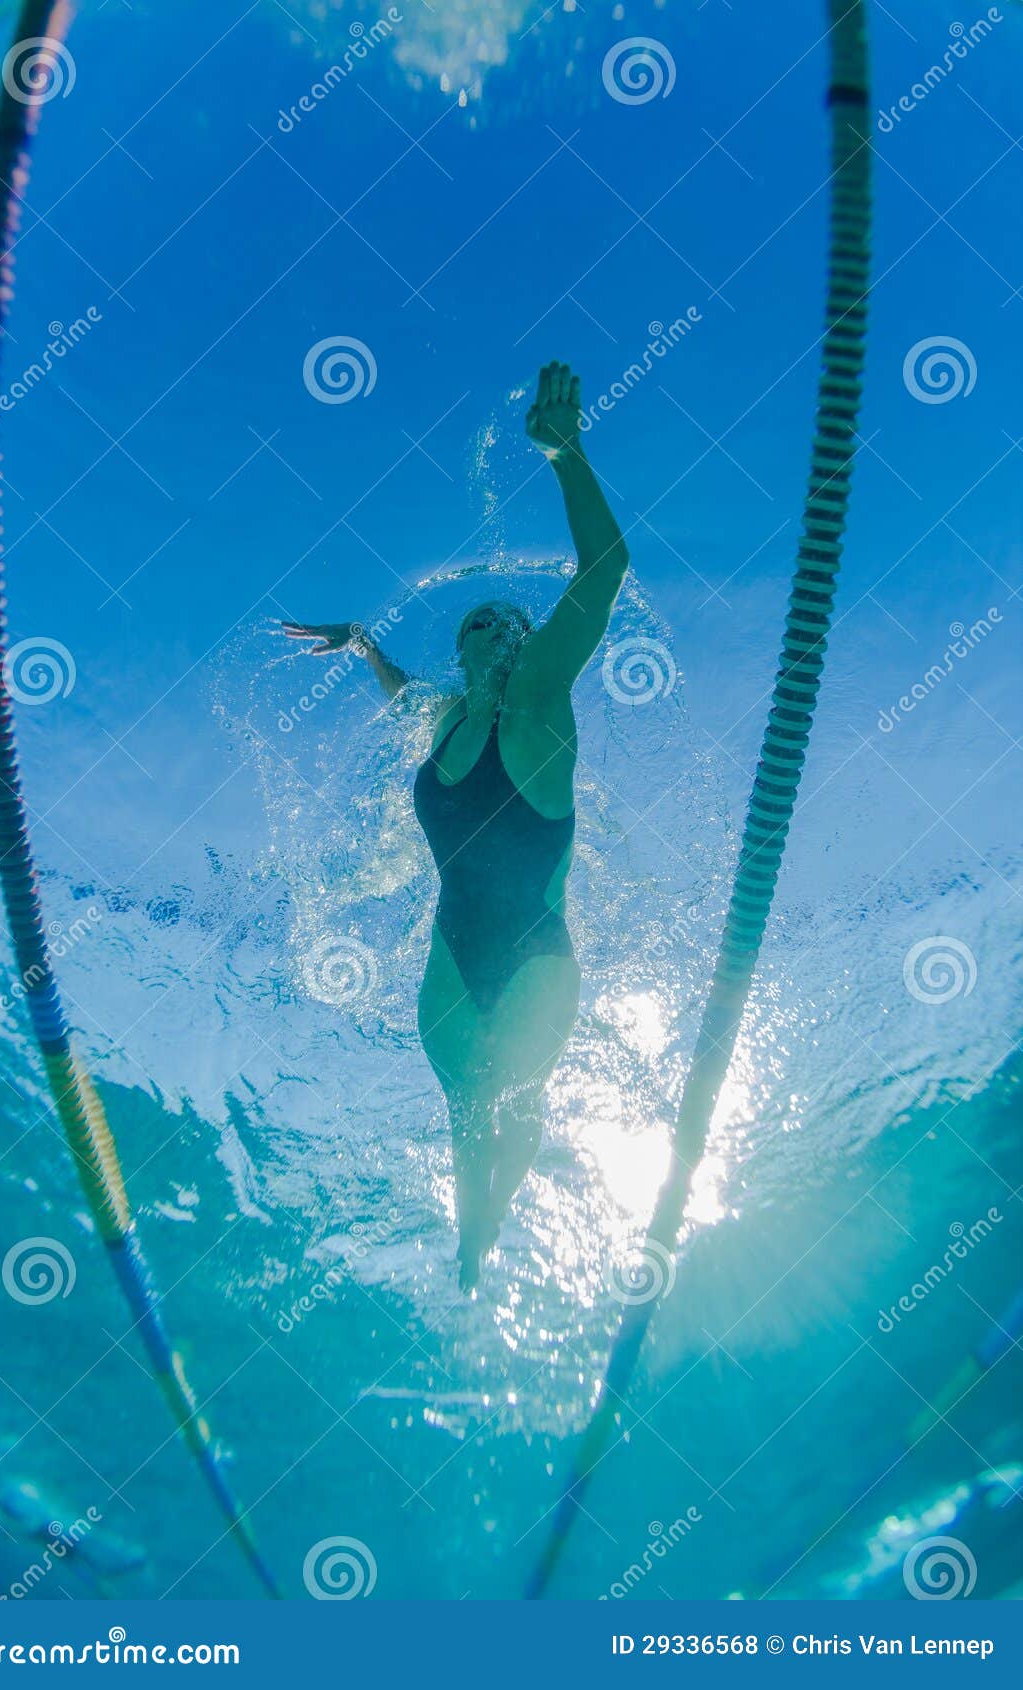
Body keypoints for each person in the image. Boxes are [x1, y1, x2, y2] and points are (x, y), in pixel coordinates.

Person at [283, 363, 630, 1289]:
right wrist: (361, 644)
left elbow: (603, 575)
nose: (492, 627)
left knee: (508, 1094)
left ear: (524, 642)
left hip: (538, 951)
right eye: (478, 621)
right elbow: (403, 693)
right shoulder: (443, 717)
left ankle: (490, 1228)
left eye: (507, 621)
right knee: (460, 1108)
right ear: (463, 646)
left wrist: (566, 455)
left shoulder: (540, 701)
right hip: (449, 943)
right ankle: (470, 1240)